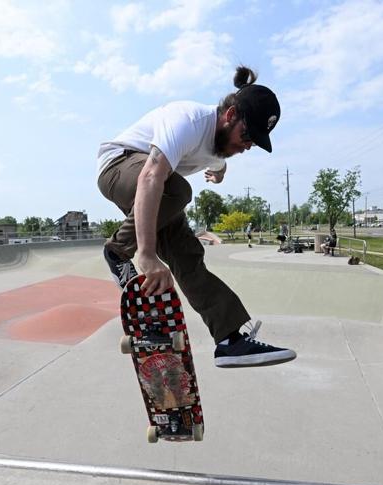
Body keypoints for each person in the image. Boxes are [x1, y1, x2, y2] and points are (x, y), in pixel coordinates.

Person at [97, 66, 296, 368]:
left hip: (156, 194)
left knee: (189, 256)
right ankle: (117, 251)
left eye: (253, 142)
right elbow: (151, 176)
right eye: (246, 135)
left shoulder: (222, 148)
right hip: (117, 167)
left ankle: (229, 340)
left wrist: (219, 174)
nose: (246, 146)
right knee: (178, 190)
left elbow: (218, 164)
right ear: (230, 115)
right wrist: (147, 254)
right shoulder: (187, 121)